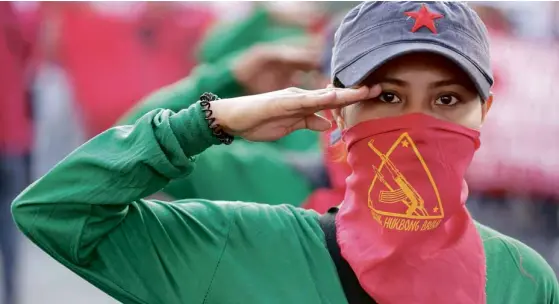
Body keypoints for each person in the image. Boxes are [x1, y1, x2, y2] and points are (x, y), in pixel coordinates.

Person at [12, 2, 558, 304]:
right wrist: (213, 112)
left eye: (447, 99)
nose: (415, 126)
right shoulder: (236, 242)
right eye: (386, 96)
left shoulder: (523, 280)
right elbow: (56, 211)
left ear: (483, 114)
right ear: (335, 104)